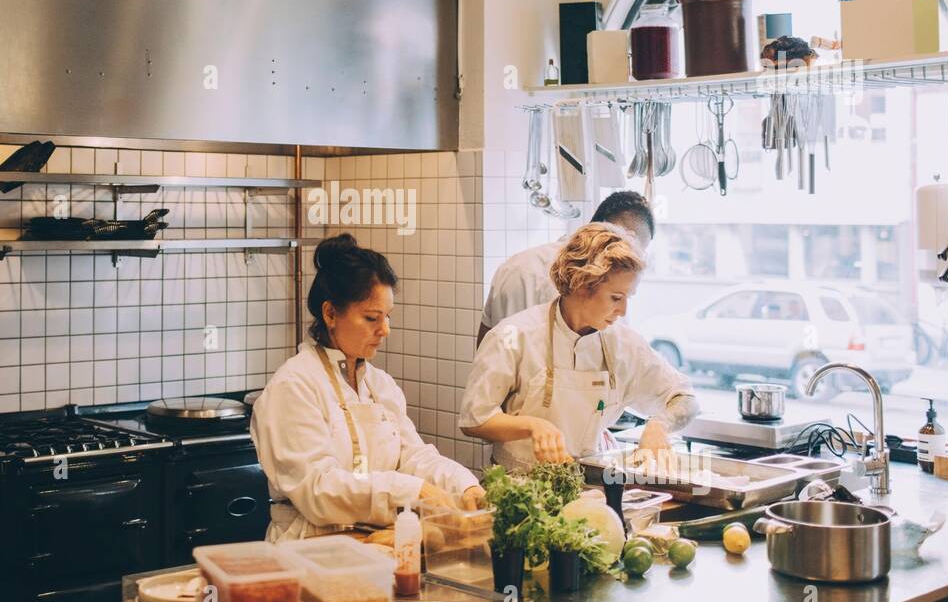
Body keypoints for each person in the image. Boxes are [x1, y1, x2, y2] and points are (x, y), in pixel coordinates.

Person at [252, 234, 485, 542]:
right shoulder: (293, 387)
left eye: (387, 317)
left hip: (373, 543)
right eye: (372, 318)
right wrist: (411, 492)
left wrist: (463, 485)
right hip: (309, 549)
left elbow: (411, 455)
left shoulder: (379, 385)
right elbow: (320, 490)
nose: (385, 330)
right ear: (330, 313)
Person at [459, 222, 698, 471]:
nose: (624, 310)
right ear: (582, 285)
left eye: (628, 298)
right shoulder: (513, 336)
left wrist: (659, 425)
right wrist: (533, 426)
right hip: (520, 486)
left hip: (591, 486)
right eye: (616, 298)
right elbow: (474, 419)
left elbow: (686, 398)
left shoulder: (624, 345)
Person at [477, 191, 655, 346]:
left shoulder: (513, 265)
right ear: (606, 236)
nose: (629, 259)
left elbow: (485, 342)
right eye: (630, 248)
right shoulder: (596, 283)